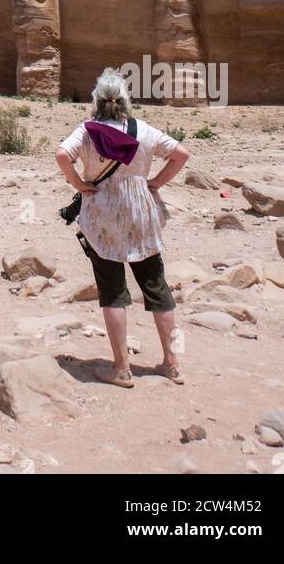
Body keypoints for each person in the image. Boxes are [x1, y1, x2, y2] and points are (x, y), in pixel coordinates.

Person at [55, 67, 190, 388]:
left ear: (96, 101)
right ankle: (171, 364)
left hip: (102, 215)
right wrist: (155, 181)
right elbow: (181, 154)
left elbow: (62, 155)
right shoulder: (142, 129)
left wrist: (80, 183)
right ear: (125, 100)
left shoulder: (87, 132)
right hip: (142, 213)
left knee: (113, 291)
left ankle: (121, 368)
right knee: (156, 286)